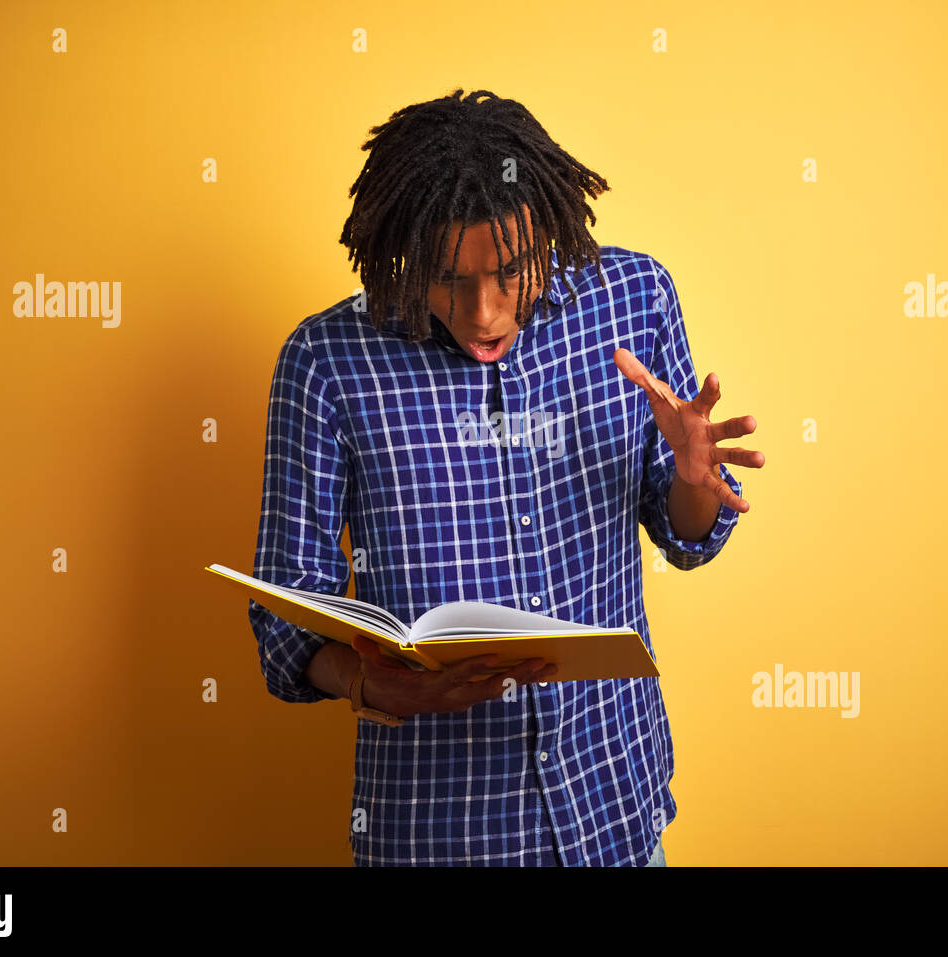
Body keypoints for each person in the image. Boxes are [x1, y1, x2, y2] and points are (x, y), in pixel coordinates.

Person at [249, 88, 764, 866]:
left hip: (614, 812)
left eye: (510, 272)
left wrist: (694, 478)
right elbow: (285, 619)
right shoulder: (326, 363)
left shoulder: (635, 300)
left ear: (547, 233)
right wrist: (376, 685)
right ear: (401, 250)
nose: (483, 312)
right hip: (438, 833)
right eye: (446, 277)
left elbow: (688, 539)